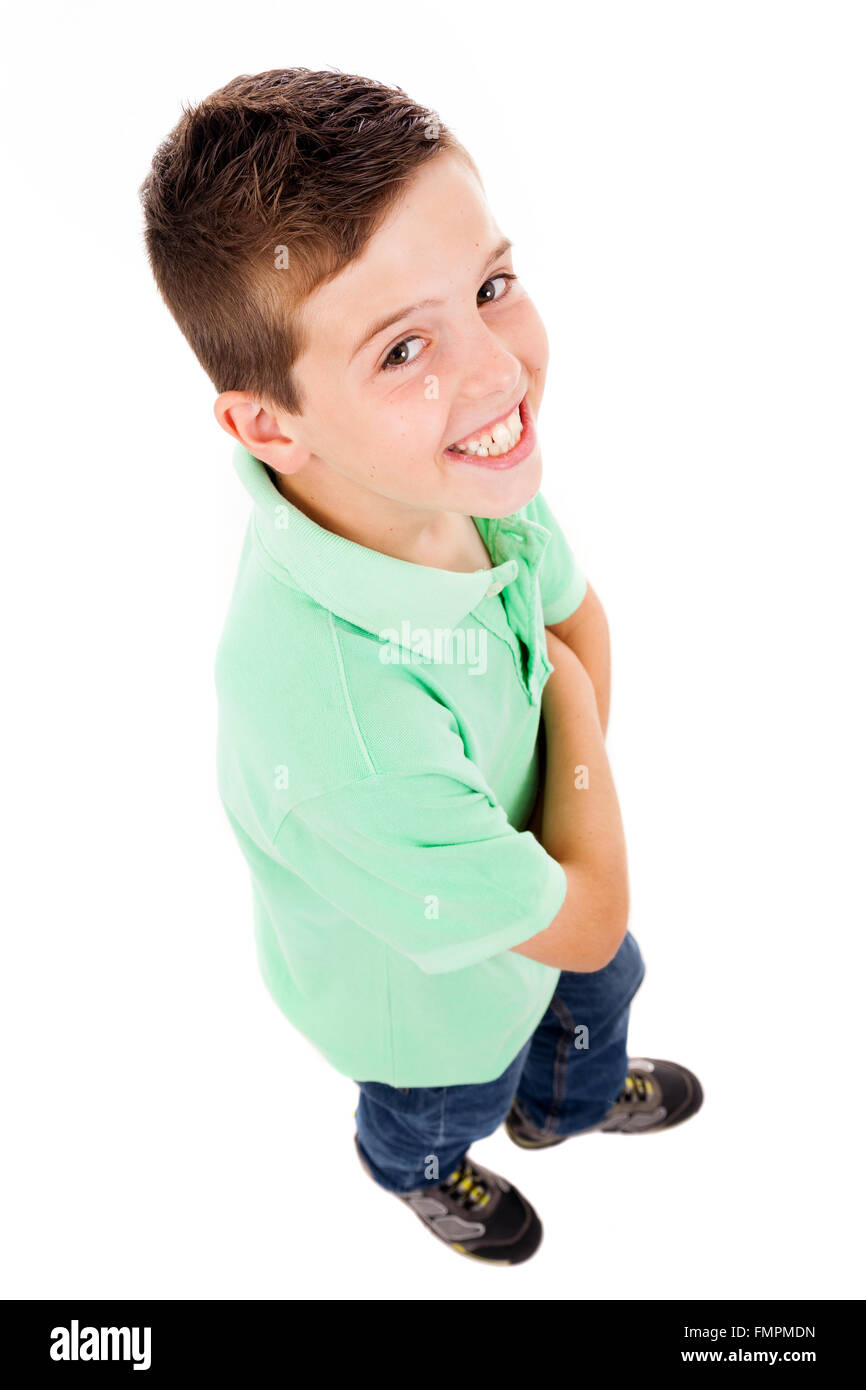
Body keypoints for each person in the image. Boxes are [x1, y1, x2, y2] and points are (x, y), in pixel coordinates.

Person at [140, 67, 703, 1265]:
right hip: (429, 1004)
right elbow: (590, 905)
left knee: (593, 1000)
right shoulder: (344, 732)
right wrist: (572, 709)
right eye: (404, 350)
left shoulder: (441, 482)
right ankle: (414, 1167)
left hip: (533, 896)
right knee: (446, 1095)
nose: (498, 374)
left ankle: (565, 1100)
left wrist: (571, 701)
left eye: (491, 286)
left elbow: (576, 621)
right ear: (269, 426)